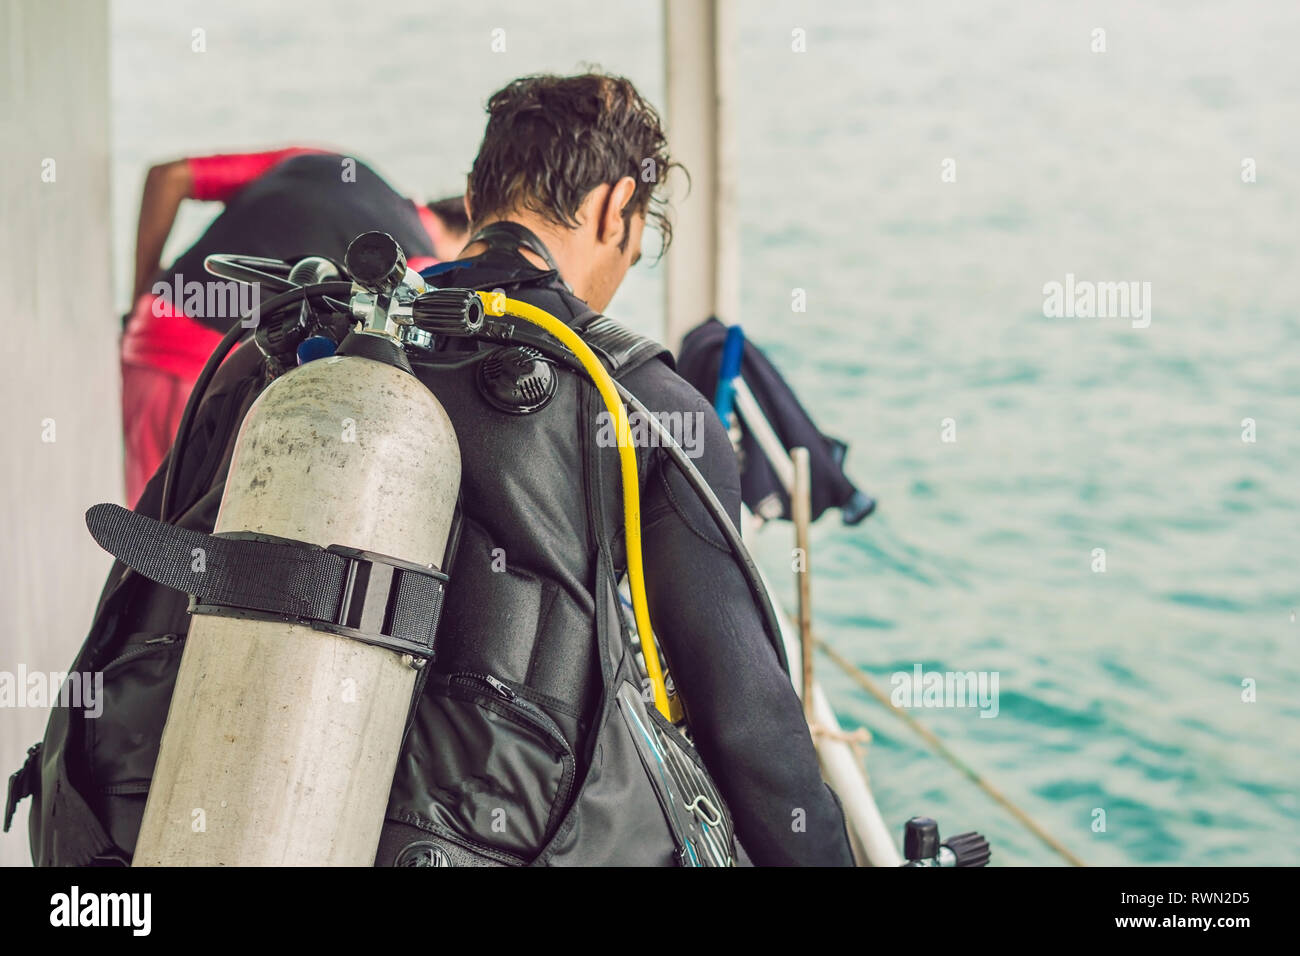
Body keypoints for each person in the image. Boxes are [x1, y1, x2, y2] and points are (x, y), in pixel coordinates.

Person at [16, 74, 855, 867]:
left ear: (479, 193)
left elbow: (132, 593)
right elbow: (751, 730)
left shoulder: (284, 349)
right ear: (616, 207)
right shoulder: (642, 404)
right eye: (634, 249)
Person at [120, 147, 468, 506]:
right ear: (466, 238)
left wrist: (141, 295)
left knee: (139, 524)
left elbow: (169, 177)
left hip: (147, 336)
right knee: (198, 527)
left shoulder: (322, 160)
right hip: (216, 372)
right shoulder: (415, 267)